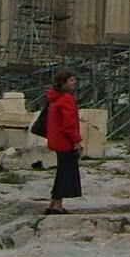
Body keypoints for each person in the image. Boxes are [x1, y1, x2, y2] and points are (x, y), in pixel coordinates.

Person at [43, 69, 83, 216]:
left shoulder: (55, 97)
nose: (74, 82)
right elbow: (69, 123)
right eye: (71, 80)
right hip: (65, 141)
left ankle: (53, 203)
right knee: (66, 173)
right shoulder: (67, 99)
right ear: (63, 83)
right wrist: (77, 141)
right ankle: (58, 206)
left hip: (56, 139)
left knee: (61, 172)